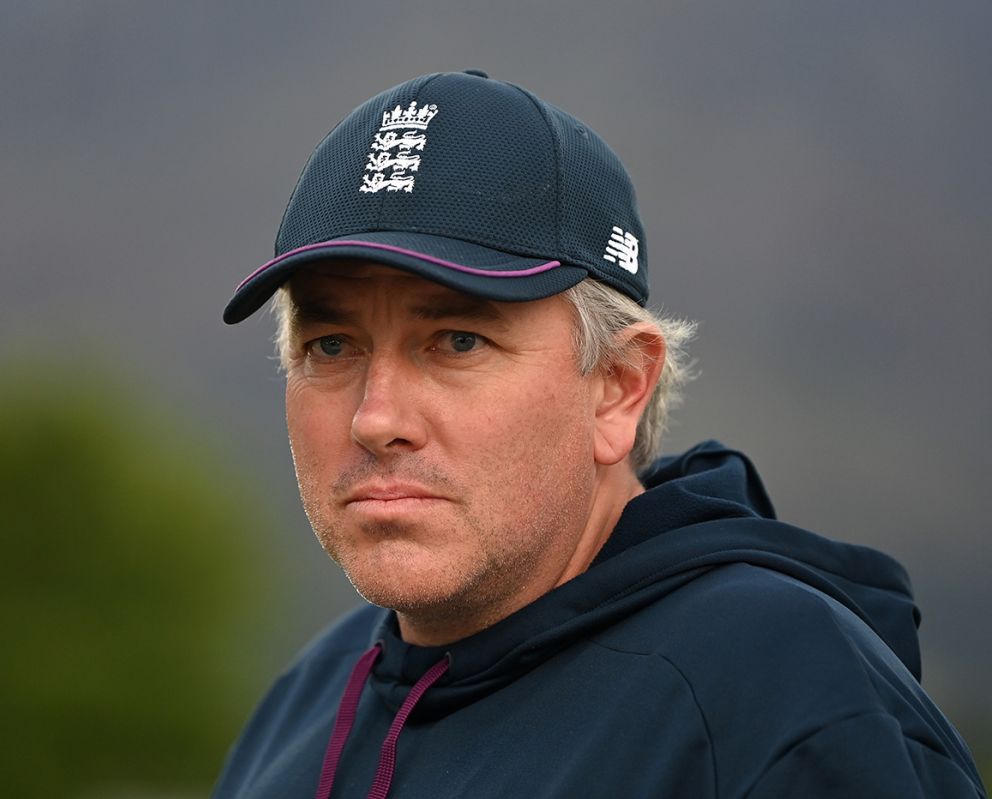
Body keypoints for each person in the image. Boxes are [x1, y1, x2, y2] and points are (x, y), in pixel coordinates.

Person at [213, 70, 986, 798]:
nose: (376, 418)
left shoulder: (786, 704)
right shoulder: (303, 705)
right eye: (331, 347)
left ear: (617, 388)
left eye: (456, 341)